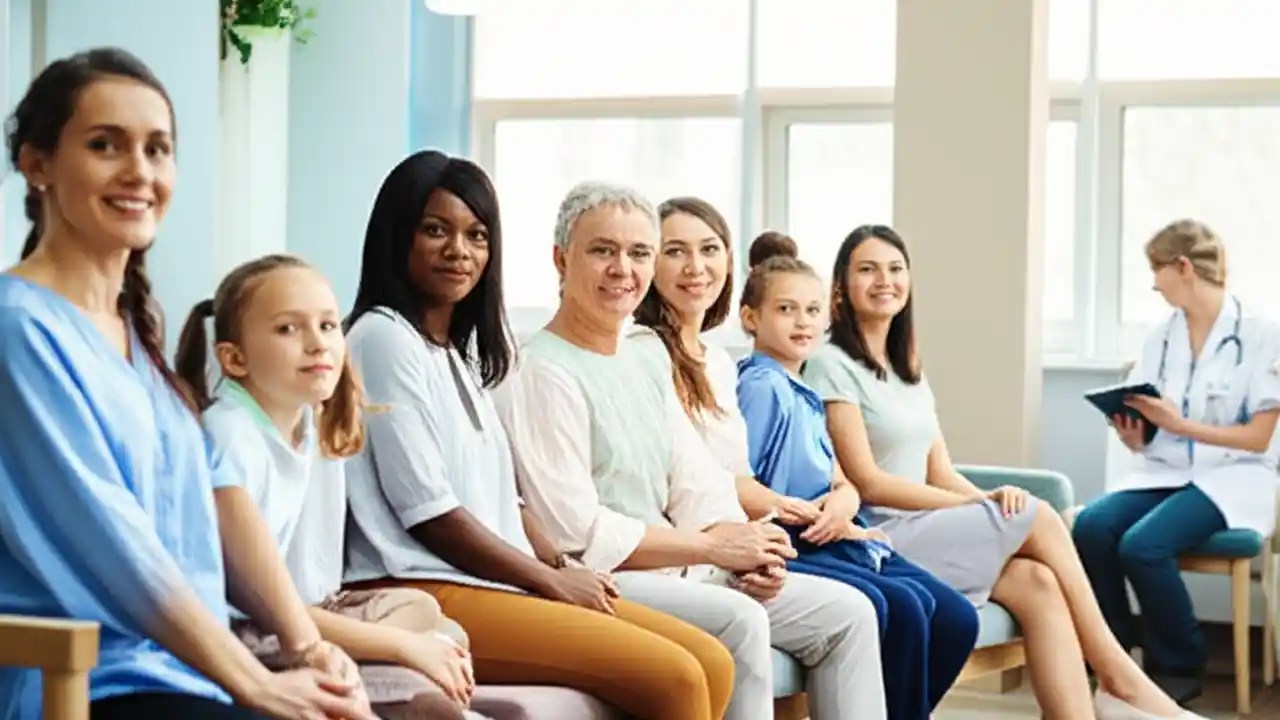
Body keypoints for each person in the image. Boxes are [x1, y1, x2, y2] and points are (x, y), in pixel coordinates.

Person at [0, 48, 374, 720]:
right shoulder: (19, 330)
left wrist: (306, 643)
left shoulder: (132, 339)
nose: (139, 171)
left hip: (189, 674)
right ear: (37, 164)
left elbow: (219, 499)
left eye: (158, 148)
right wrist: (255, 684)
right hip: (88, 684)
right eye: (105, 145)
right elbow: (116, 547)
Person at [338, 151, 735, 720]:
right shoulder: (383, 339)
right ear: (397, 236)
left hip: (487, 583)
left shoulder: (456, 352)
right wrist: (548, 579)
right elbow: (429, 513)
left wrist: (562, 565)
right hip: (424, 587)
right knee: (676, 678)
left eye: (477, 235)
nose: (459, 250)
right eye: (435, 230)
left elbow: (509, 498)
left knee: (713, 662)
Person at [494, 181, 888, 720]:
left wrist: (748, 548)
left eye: (638, 253)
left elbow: (694, 474)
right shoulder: (541, 370)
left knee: (850, 612)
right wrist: (710, 551)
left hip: (683, 564)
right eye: (602, 250)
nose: (622, 269)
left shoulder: (646, 352)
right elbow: (576, 533)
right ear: (562, 259)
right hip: (611, 577)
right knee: (740, 619)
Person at [803, 223, 1207, 720]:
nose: (883, 280)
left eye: (895, 268)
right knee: (1040, 517)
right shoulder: (829, 363)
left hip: (923, 527)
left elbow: (941, 469)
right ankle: (1121, 679)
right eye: (867, 269)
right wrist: (974, 506)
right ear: (841, 285)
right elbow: (869, 482)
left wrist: (987, 495)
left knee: (1037, 583)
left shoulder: (907, 364)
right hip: (877, 537)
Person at [631, 199, 977, 720]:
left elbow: (835, 478)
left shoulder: (744, 373)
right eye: (674, 251)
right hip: (776, 539)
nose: (694, 266)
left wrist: (841, 503)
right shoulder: (752, 382)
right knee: (896, 606)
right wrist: (813, 514)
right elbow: (742, 485)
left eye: (708, 250)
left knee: (947, 613)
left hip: (804, 529)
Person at [173, 254, 481, 720]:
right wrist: (401, 647)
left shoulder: (310, 423)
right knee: (426, 663)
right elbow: (261, 606)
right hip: (251, 630)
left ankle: (401, 683)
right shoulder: (230, 437)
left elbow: (315, 594)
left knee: (434, 621)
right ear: (234, 358)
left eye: (328, 325)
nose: (317, 344)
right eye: (287, 329)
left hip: (303, 612)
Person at [1073, 219, 1280, 703]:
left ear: (1183, 266)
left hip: (1235, 475)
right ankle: (1115, 654)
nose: (1154, 283)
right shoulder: (1159, 337)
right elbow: (1155, 422)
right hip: (1165, 470)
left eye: (1157, 271)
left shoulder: (1262, 335)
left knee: (1143, 546)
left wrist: (1181, 424)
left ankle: (1180, 662)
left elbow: (1258, 437)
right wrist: (1134, 436)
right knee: (1091, 528)